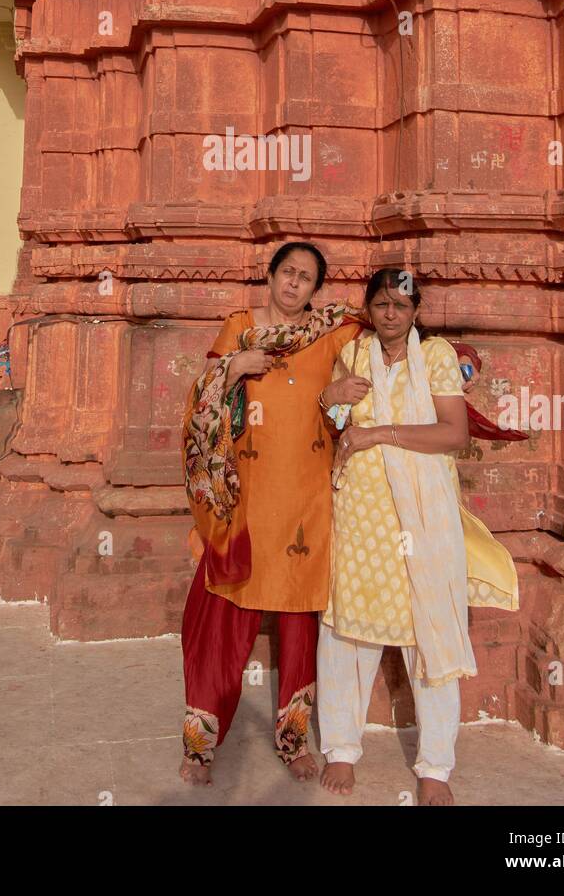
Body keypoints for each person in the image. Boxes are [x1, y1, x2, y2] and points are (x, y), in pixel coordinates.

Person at [316, 269, 519, 805]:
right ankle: (340, 748)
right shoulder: (355, 355)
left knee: (430, 627)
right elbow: (337, 423)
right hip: (361, 510)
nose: (390, 313)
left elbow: (454, 432)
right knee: (347, 628)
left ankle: (435, 764)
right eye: (381, 304)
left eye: (400, 306)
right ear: (369, 307)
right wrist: (330, 397)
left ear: (415, 312)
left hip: (421, 516)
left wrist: (380, 434)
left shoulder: (434, 358)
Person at [180, 242, 363, 785]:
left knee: (300, 626)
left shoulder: (332, 333)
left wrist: (457, 363)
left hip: (306, 501)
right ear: (272, 275)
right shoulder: (239, 326)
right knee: (222, 621)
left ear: (315, 289)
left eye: (306, 278)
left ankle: (293, 740)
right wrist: (234, 367)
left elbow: (388, 344)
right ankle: (198, 748)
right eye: (287, 272)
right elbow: (199, 403)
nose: (294, 284)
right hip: (244, 500)